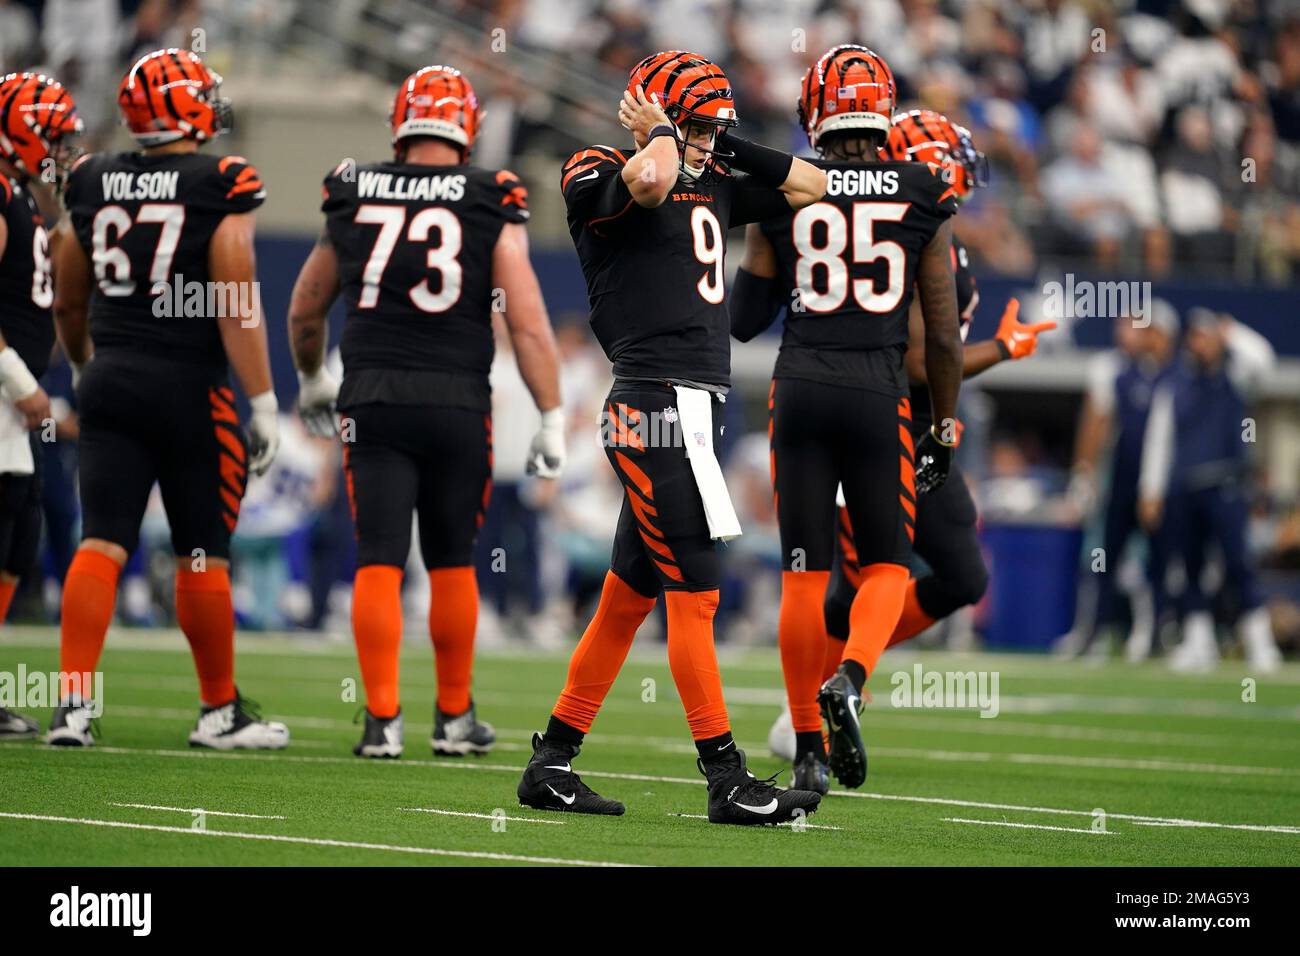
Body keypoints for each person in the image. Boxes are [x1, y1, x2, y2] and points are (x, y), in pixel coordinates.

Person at [516, 50, 828, 825]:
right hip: (651, 405)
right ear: (650, 115)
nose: (703, 141)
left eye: (709, 128)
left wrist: (718, 141)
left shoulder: (712, 172)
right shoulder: (596, 167)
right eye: (694, 124)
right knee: (697, 594)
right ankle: (726, 778)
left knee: (628, 597)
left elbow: (813, 186)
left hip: (692, 411)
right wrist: (661, 133)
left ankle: (551, 761)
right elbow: (650, 180)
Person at [288, 65, 565, 758]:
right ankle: (453, 718)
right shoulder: (489, 195)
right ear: (467, 127)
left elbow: (304, 308)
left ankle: (382, 721)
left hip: (373, 397)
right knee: (451, 561)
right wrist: (553, 414)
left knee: (377, 557)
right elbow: (529, 323)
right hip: (456, 401)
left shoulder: (353, 187)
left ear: (401, 124)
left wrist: (312, 377)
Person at [731, 55, 967, 792]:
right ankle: (851, 677)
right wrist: (948, 429)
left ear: (813, 111)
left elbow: (743, 322)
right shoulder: (923, 188)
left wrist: (773, 241)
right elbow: (944, 332)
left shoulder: (786, 186)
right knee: (889, 567)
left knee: (804, 575)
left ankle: (805, 747)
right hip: (878, 392)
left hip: (799, 388)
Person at [48, 49, 286, 749]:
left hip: (111, 376)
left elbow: (67, 295)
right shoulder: (221, 179)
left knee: (102, 539)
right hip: (188, 383)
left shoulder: (91, 177)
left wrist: (94, 367)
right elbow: (236, 296)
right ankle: (218, 712)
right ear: (185, 106)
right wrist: (264, 400)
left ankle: (73, 707)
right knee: (202, 551)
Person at [0, 71, 81, 738]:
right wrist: (20, 381)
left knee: (18, 536)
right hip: (3, 393)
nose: (59, 148)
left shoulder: (26, 200)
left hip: (10, 405)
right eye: (51, 134)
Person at [1139, 309, 1281, 672]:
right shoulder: (1176, 382)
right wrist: (1151, 489)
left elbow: (1264, 359)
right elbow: (1160, 438)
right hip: (1184, 487)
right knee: (1189, 567)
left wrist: (1231, 332)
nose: (1200, 344)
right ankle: (1198, 642)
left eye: (1206, 336)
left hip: (1225, 485)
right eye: (1196, 337)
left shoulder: (1236, 373)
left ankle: (1259, 643)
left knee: (1237, 563)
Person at [1058, 303, 1177, 662]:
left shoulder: (1177, 374)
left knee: (1158, 564)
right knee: (1101, 559)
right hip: (1121, 482)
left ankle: (1155, 632)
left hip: (1167, 485)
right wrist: (1084, 473)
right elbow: (1097, 424)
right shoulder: (1115, 372)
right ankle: (1093, 630)